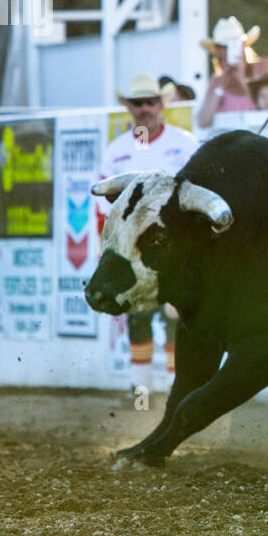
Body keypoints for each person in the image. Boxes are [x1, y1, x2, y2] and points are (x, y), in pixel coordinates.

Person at [98, 73, 200, 394]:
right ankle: (140, 389)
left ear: (161, 104)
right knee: (137, 314)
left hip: (176, 246)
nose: (144, 108)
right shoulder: (116, 151)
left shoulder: (185, 144)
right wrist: (106, 251)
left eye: (150, 101)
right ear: (128, 107)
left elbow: (197, 197)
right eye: (137, 103)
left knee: (176, 316)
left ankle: (175, 388)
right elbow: (103, 208)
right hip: (132, 248)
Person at [194, 17, 268, 128]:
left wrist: (241, 79)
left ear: (244, 45)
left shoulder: (264, 67)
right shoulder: (217, 80)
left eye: (235, 44)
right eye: (224, 47)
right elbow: (202, 122)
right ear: (218, 51)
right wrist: (220, 86)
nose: (229, 50)